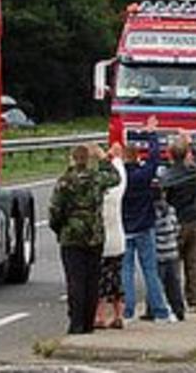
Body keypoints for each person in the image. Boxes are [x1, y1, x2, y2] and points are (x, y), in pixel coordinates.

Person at [48, 143, 120, 335]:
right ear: (88, 160)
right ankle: (89, 322)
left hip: (72, 236)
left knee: (75, 280)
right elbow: (116, 178)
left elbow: (55, 211)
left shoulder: (65, 182)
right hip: (95, 235)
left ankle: (76, 322)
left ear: (73, 159)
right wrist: (105, 159)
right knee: (92, 280)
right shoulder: (97, 179)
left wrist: (60, 229)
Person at [120, 117, 174, 323]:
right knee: (150, 270)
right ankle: (160, 310)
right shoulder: (144, 175)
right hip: (144, 226)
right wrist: (152, 135)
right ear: (136, 158)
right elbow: (154, 158)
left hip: (125, 227)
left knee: (126, 270)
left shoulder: (119, 177)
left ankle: (128, 310)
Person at [160, 134, 196, 309]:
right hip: (193, 218)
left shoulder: (168, 176)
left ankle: (174, 297)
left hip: (176, 220)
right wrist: (192, 142)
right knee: (192, 262)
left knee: (173, 262)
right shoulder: (193, 172)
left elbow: (163, 199)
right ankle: (193, 297)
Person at [95, 143, 127, 330]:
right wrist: (114, 159)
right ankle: (118, 315)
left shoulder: (96, 190)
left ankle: (99, 316)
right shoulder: (117, 191)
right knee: (116, 281)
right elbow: (121, 175)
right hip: (117, 240)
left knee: (99, 281)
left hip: (100, 241)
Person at [153, 187, 186, 322]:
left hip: (158, 252)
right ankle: (179, 309)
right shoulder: (171, 210)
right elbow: (176, 228)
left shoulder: (151, 212)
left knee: (157, 283)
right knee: (174, 283)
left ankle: (153, 308)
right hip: (172, 251)